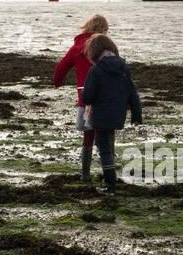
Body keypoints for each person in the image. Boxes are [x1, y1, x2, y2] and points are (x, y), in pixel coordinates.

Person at [80, 34, 142, 195]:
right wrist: (137, 115)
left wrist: (86, 94)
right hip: (118, 115)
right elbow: (133, 93)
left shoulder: (96, 70)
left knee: (104, 149)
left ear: (94, 52)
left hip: (100, 115)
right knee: (107, 145)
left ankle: (110, 184)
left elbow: (87, 97)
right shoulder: (123, 67)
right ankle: (110, 179)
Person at [53, 14, 108, 181]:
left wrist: (57, 82)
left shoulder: (76, 47)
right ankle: (108, 173)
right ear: (102, 30)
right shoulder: (105, 47)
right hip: (105, 99)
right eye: (106, 30)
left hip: (85, 100)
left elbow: (61, 67)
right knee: (107, 133)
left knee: (88, 134)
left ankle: (85, 174)